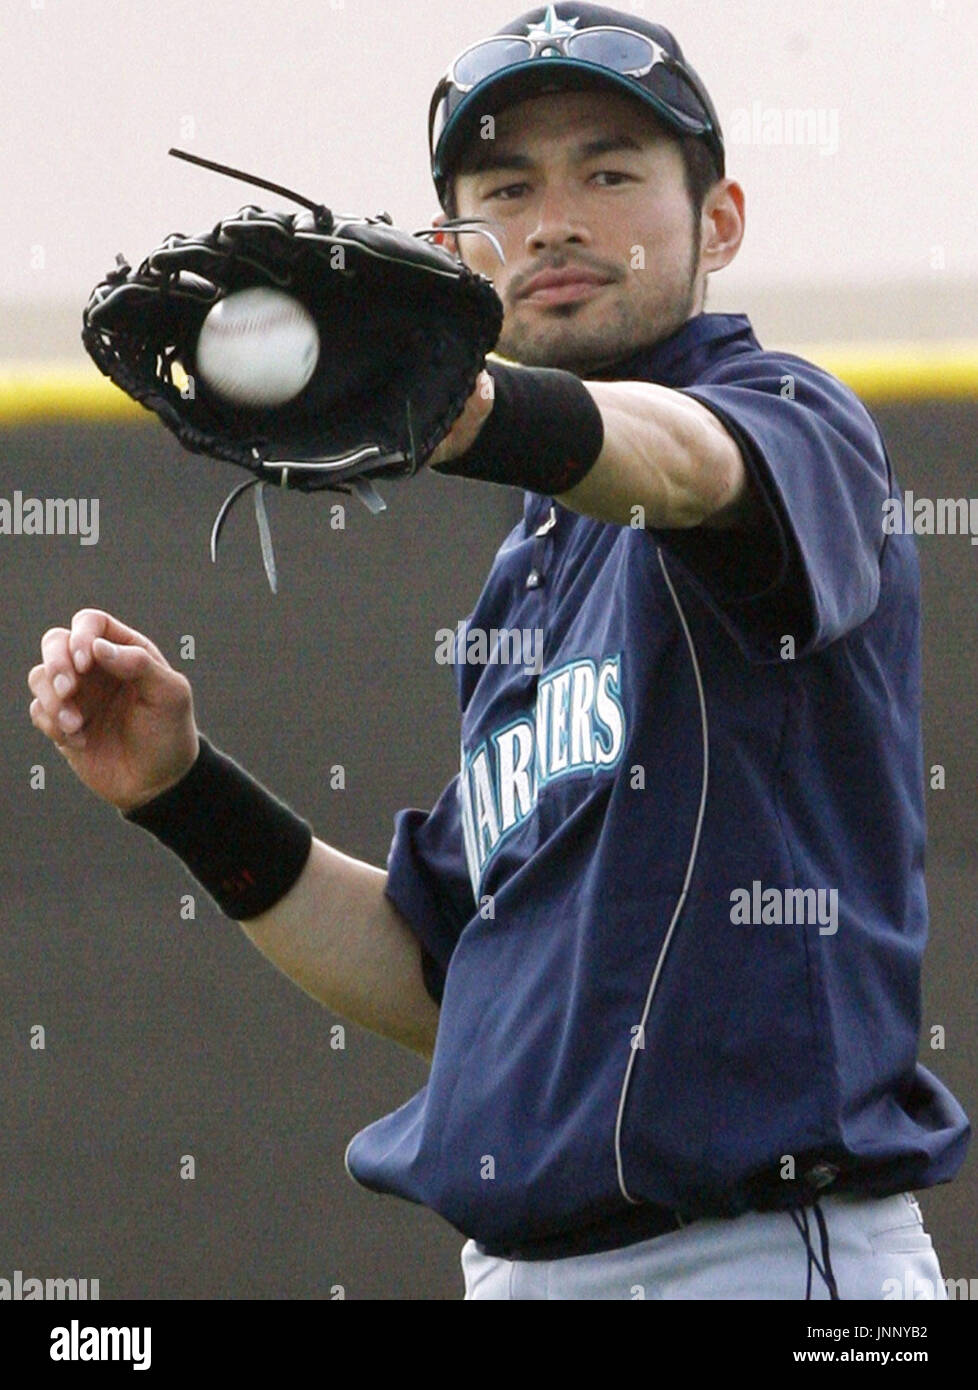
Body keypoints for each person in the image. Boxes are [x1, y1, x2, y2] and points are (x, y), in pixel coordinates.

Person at [29, 3, 968, 1300]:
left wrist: (466, 405)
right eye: (507, 184)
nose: (557, 217)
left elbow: (685, 465)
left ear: (720, 220)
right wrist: (179, 792)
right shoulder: (525, 576)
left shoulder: (789, 413)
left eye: (611, 169)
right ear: (452, 249)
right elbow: (442, 976)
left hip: (766, 1261)